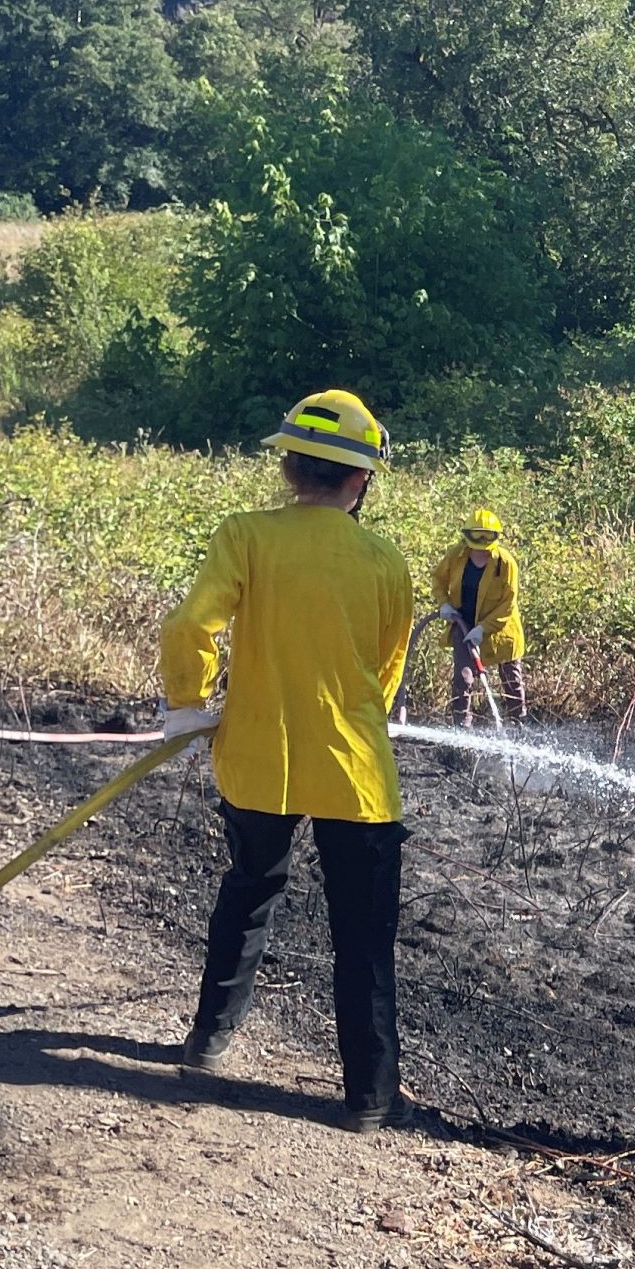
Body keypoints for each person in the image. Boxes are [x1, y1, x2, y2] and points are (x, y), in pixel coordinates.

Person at [157, 388, 416, 1132]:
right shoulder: (385, 561)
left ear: (290, 470)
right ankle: (369, 1100)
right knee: (363, 938)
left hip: (257, 761)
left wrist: (188, 703)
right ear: (361, 478)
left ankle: (207, 1044)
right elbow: (383, 672)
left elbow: (190, 626)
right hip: (356, 774)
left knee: (248, 892)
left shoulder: (245, 536)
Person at [430, 508, 528, 725]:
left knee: (512, 682)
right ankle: (461, 731)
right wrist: (444, 603)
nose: (482, 542)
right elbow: (438, 580)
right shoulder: (456, 556)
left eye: (487, 536)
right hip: (464, 626)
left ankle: (519, 727)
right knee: (462, 680)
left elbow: (508, 604)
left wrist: (483, 629)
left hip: (500, 631)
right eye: (477, 535)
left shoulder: (506, 562)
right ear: (467, 535)